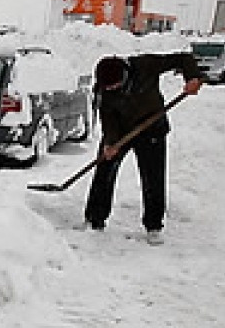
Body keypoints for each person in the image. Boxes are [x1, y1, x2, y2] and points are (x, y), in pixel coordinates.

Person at [83, 52, 203, 245]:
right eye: (108, 87)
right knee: (104, 172)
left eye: (115, 85)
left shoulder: (145, 65)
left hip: (152, 128)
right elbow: (107, 115)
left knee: (153, 178)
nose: (111, 89)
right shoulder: (104, 87)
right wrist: (110, 142)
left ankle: (153, 225)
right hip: (121, 131)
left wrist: (193, 77)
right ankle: (95, 218)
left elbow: (185, 58)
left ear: (123, 75)